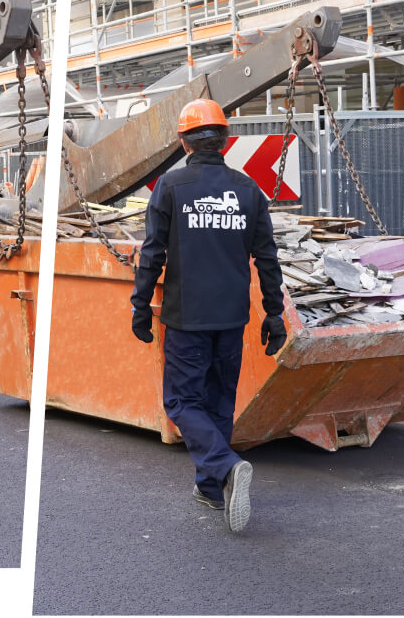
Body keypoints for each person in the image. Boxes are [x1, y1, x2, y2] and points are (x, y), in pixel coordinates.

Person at [129, 98, 287, 533]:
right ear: (224, 140)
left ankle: (225, 465)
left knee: (181, 401)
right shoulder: (248, 190)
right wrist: (273, 313)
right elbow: (267, 258)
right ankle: (212, 487)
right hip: (232, 316)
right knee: (219, 400)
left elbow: (152, 254)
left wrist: (140, 305)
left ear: (184, 142)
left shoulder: (170, 187)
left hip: (187, 316)